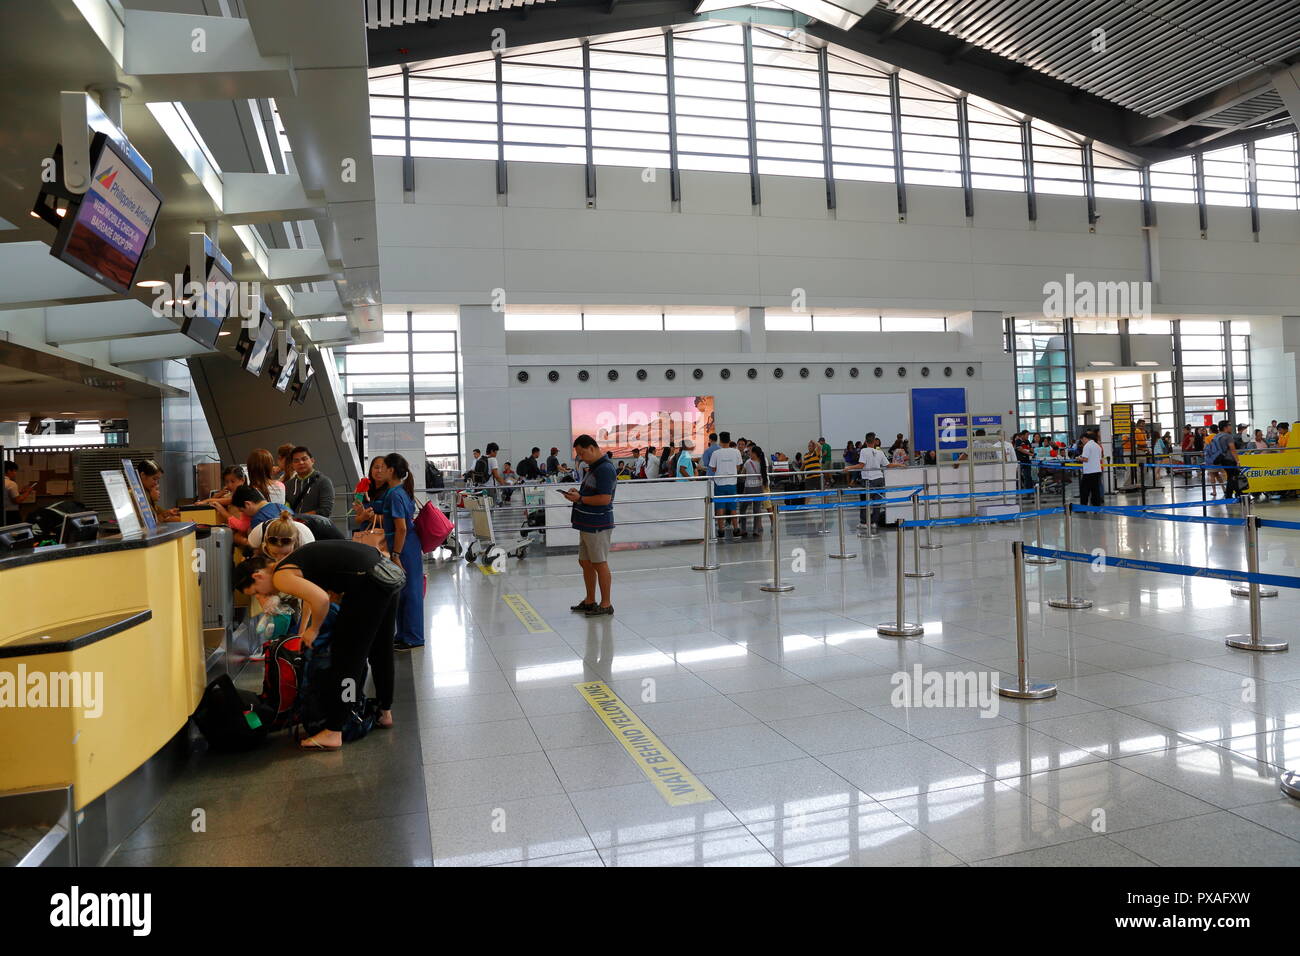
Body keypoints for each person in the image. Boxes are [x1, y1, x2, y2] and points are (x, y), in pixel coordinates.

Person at [235, 540, 403, 751]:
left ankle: (334, 730)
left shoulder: (280, 575)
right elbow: (313, 598)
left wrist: (313, 630)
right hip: (387, 573)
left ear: (257, 576)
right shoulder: (290, 562)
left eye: (256, 592)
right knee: (381, 650)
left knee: (347, 660)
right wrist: (306, 628)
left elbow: (321, 600)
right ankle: (384, 711)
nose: (262, 597)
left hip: (368, 583)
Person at [366, 453, 425, 650]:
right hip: (404, 545)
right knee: (401, 591)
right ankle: (402, 634)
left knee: (411, 593)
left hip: (404, 547)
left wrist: (396, 555)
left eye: (385, 467)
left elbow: (402, 528)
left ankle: (414, 637)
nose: (380, 470)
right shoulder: (397, 492)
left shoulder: (396, 494)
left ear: (392, 470)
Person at [563, 434, 616, 616]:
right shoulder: (593, 468)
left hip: (598, 524)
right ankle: (590, 600)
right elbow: (591, 493)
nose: (580, 457)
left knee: (599, 563)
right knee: (585, 562)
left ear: (592, 448)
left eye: (582, 453)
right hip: (586, 523)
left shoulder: (605, 469)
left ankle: (606, 603)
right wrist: (577, 494)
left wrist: (581, 498)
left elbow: (604, 498)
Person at [198, 465, 252, 543]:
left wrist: (207, 500)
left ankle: (251, 545)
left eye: (233, 481)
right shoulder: (229, 494)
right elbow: (216, 499)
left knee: (237, 537)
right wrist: (220, 493)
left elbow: (225, 501)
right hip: (234, 526)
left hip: (243, 527)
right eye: (227, 482)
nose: (229, 485)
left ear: (242, 480)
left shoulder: (243, 494)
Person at [847, 436, 891, 529]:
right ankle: (874, 523)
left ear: (866, 442)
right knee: (877, 502)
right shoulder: (880, 452)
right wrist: (900, 465)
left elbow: (861, 465)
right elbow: (888, 465)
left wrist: (849, 468)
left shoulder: (864, 451)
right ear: (874, 442)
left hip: (868, 480)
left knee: (864, 501)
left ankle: (864, 523)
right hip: (879, 479)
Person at [285, 446, 335, 518]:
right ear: (292, 465)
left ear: (312, 461)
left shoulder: (324, 482)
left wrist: (298, 518)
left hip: (315, 527)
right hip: (293, 527)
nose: (301, 463)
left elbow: (325, 511)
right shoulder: (287, 485)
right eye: (296, 461)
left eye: (304, 459)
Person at [710, 432, 743, 538]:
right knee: (733, 506)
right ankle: (736, 529)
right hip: (732, 483)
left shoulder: (716, 453)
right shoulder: (736, 452)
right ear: (729, 440)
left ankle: (721, 530)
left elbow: (713, 468)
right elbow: (738, 467)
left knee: (720, 507)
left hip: (719, 483)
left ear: (720, 441)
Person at [1206, 420, 1241, 500]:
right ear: (1225, 427)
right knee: (1234, 477)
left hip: (1222, 459)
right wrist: (1237, 461)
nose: (1231, 427)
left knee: (1230, 477)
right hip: (1230, 459)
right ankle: (1237, 494)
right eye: (1229, 425)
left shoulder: (1217, 436)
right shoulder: (1228, 436)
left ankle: (1230, 495)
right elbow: (1232, 449)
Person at [738, 444, 767, 537]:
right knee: (756, 510)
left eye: (751, 452)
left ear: (755, 453)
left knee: (743, 508)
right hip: (759, 488)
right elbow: (764, 478)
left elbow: (742, 474)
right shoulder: (762, 463)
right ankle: (755, 530)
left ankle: (743, 529)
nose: (749, 453)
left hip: (748, 489)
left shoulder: (748, 462)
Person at [3, 461, 35, 525]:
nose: (15, 473)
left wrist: (20, 492)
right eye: (14, 471)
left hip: (4, 513)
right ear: (9, 471)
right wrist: (28, 492)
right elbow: (17, 500)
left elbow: (6, 494)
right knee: (14, 533)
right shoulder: (11, 484)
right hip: (11, 514)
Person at [1079, 428, 1104, 506]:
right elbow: (1100, 458)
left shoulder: (1087, 446)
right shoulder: (1098, 446)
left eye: (1082, 440)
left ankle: (1083, 507)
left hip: (1089, 472)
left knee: (1084, 490)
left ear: (1085, 438)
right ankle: (1096, 506)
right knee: (1095, 490)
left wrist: (1079, 458)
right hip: (1097, 470)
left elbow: (1085, 459)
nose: (1082, 442)